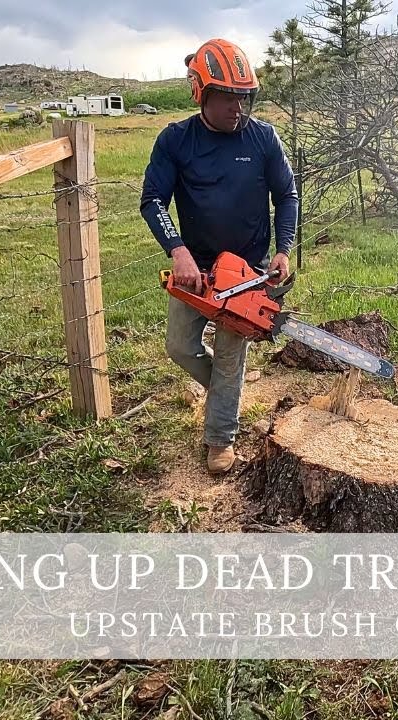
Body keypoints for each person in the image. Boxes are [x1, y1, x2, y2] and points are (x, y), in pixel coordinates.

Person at [140, 38, 299, 474]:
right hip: (196, 268)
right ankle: (226, 396)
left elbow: (286, 195)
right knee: (180, 346)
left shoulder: (263, 138)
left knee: (231, 354)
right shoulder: (175, 141)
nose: (237, 108)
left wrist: (283, 249)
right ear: (202, 94)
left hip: (247, 270)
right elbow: (153, 200)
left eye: (243, 98)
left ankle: (220, 439)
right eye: (228, 98)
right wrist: (178, 251)